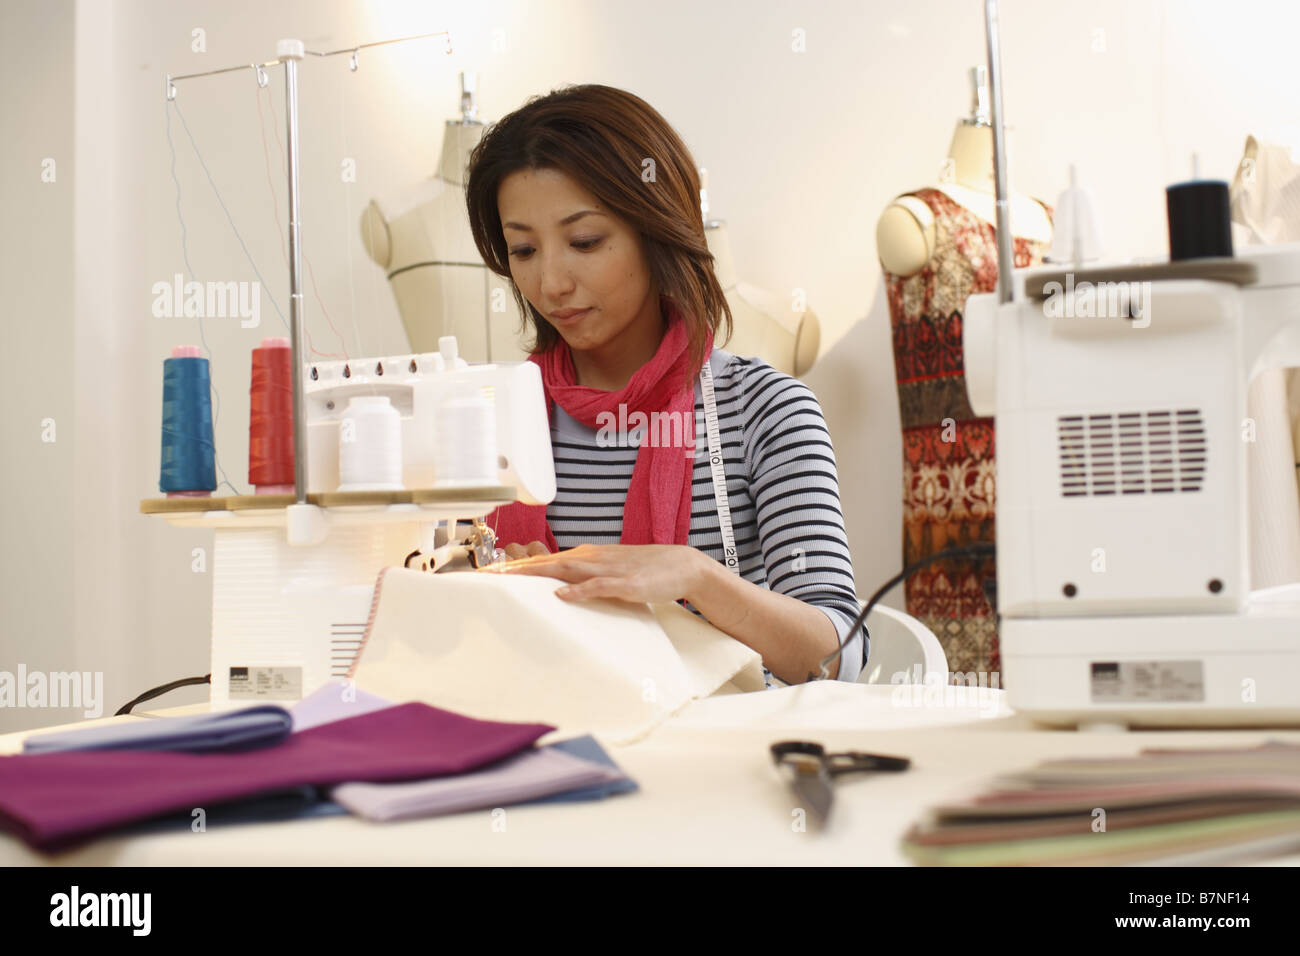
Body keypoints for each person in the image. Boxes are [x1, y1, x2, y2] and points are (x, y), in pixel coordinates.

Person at [464, 84, 865, 684]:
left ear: (656, 231)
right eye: (523, 249)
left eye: (585, 242)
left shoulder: (764, 411)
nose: (550, 283)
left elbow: (838, 659)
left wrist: (697, 578)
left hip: (727, 764)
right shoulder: (487, 421)